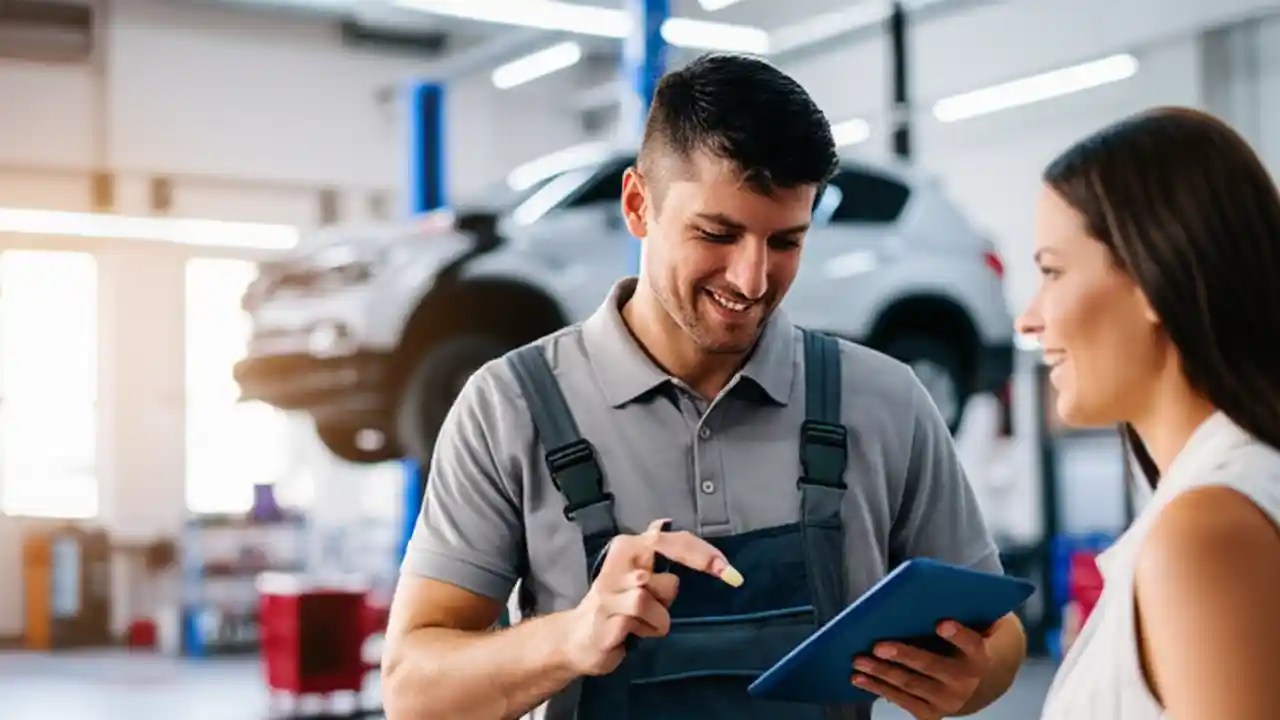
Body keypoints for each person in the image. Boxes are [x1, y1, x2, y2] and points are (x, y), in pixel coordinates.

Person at [381, 52, 1026, 720]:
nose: (751, 280)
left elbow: (996, 637)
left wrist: (970, 679)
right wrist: (571, 638)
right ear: (638, 205)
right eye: (717, 234)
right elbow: (412, 692)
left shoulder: (885, 402)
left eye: (786, 242)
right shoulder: (509, 407)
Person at [1020, 107, 1280, 720]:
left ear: (1151, 278)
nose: (1028, 319)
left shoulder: (1206, 530)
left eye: (1052, 272)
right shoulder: (1221, 502)